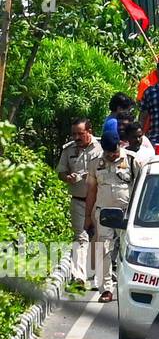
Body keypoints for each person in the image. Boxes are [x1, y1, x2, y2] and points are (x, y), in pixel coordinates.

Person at [83, 132, 138, 302]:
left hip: (126, 214)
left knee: (127, 251)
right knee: (104, 250)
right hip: (104, 213)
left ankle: (127, 286)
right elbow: (91, 191)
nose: (111, 155)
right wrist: (88, 216)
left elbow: (141, 188)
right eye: (108, 153)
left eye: (114, 152)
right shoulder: (95, 163)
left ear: (119, 146)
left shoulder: (131, 160)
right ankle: (106, 289)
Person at [56, 119, 103, 284]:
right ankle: (79, 277)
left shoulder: (101, 147)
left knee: (99, 238)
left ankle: (99, 275)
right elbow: (61, 171)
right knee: (80, 238)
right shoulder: (68, 150)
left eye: (80, 133)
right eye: (74, 134)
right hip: (78, 201)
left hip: (98, 201)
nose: (76, 137)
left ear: (89, 131)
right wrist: (67, 178)